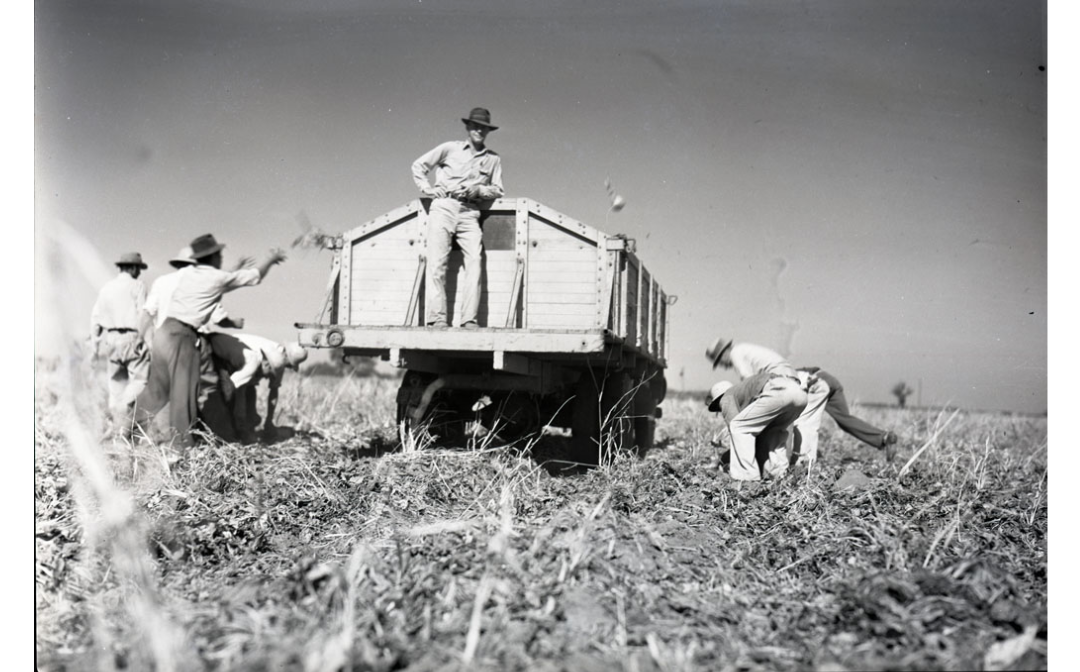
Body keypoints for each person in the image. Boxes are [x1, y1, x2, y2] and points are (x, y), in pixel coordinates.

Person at [133, 234, 286, 448]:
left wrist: (233, 270)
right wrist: (270, 259)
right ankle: (180, 449)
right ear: (213, 257)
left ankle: (126, 431)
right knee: (182, 396)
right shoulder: (215, 277)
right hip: (182, 336)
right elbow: (254, 277)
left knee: (156, 390)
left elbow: (219, 281)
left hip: (164, 333)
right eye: (219, 255)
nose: (221, 258)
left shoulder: (188, 275)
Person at [411, 107, 504, 329]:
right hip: (443, 207)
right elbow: (418, 166)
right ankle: (437, 318)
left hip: (470, 212)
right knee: (437, 264)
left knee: (475, 263)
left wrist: (479, 192)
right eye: (476, 126)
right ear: (468, 127)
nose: (479, 130)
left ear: (488, 131)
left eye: (484, 127)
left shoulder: (493, 159)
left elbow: (498, 189)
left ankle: (469, 319)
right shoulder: (449, 148)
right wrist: (428, 189)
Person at [705, 337, 809, 480]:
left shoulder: (735, 357)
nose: (723, 365)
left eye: (719, 361)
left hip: (777, 387)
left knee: (739, 427)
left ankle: (747, 479)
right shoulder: (748, 353)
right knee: (775, 431)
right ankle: (778, 476)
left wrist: (721, 458)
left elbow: (747, 377)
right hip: (798, 390)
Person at [207, 333, 308, 443]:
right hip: (223, 358)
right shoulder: (261, 359)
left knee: (249, 400)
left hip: (236, 364)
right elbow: (233, 388)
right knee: (230, 400)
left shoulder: (276, 359)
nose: (265, 377)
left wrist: (269, 421)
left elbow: (273, 391)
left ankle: (242, 430)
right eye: (290, 365)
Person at [90, 252, 151, 422]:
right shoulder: (138, 286)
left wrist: (95, 348)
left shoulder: (106, 288)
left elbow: (95, 318)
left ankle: (118, 429)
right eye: (138, 269)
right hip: (132, 337)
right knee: (140, 381)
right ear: (132, 268)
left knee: (116, 384)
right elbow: (143, 315)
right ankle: (124, 412)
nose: (139, 273)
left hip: (111, 338)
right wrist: (147, 342)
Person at [797, 366, 899, 461]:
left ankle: (803, 460)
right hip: (830, 380)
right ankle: (884, 437)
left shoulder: (787, 376)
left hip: (818, 381)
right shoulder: (788, 370)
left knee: (804, 421)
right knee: (844, 419)